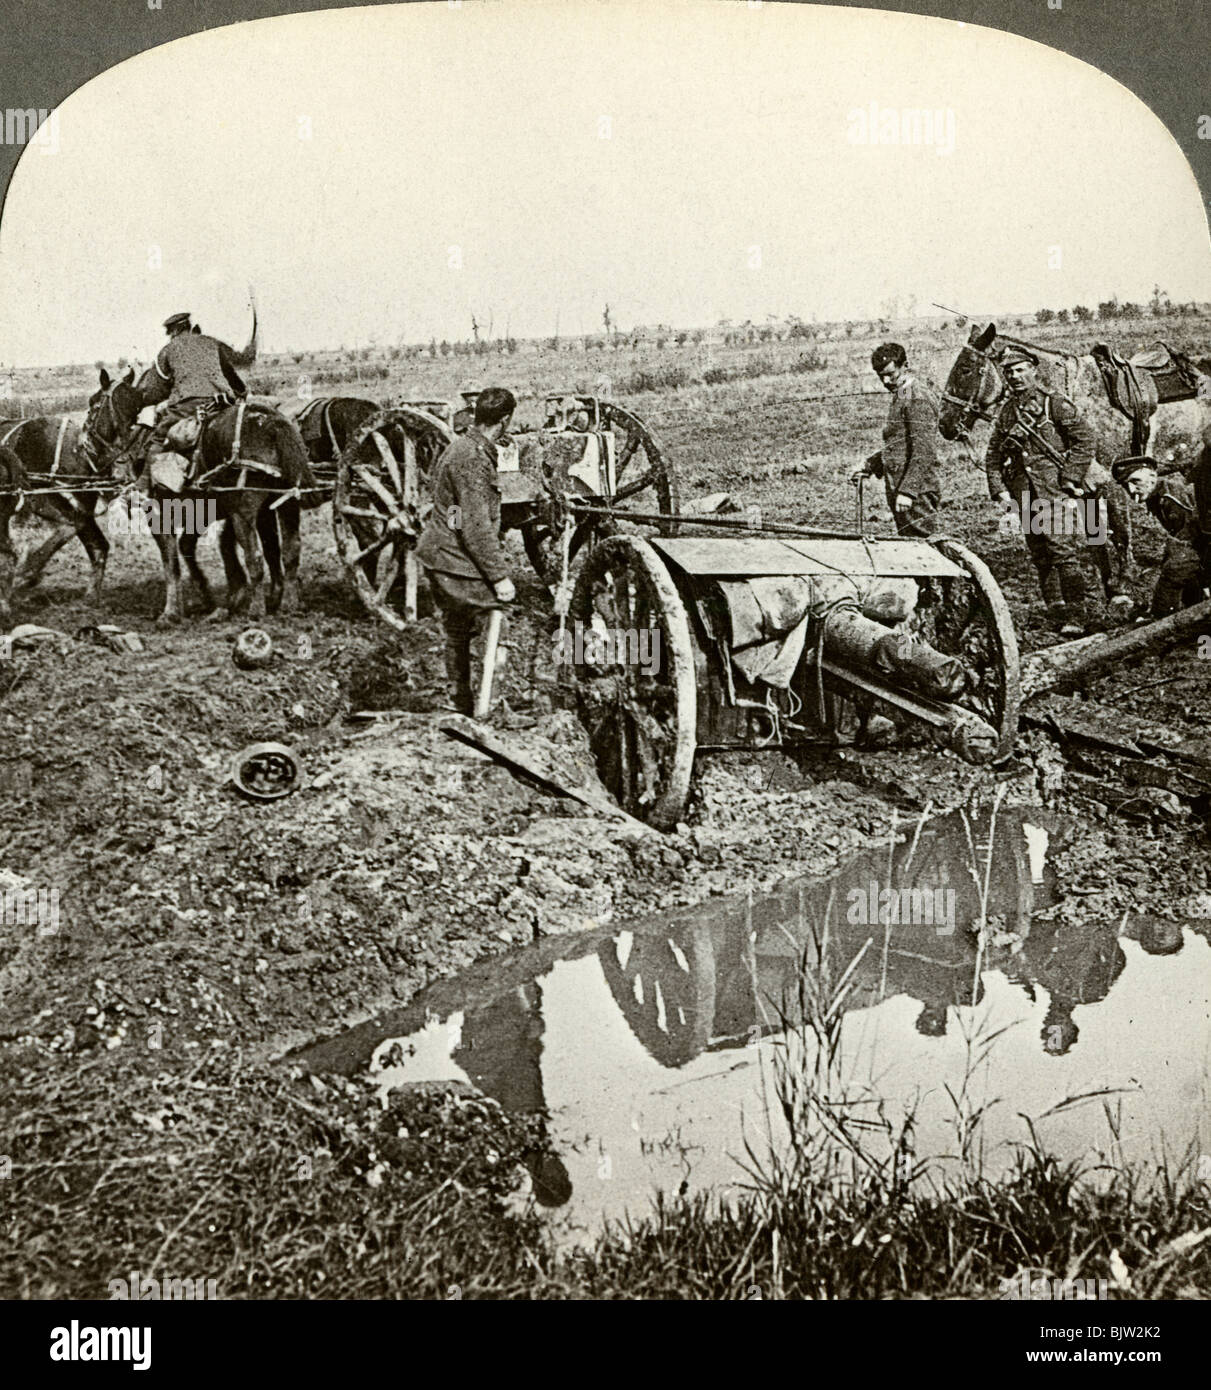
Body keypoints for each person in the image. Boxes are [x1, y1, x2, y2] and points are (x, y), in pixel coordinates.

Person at [984, 346, 1099, 635]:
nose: (1015, 376)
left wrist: (1071, 477)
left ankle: (1077, 615)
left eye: (1021, 369)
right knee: (1040, 553)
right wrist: (999, 489)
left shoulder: (1054, 404)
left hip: (1053, 491)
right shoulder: (1007, 412)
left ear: (1034, 370)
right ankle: (1055, 609)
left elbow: (1085, 440)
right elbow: (993, 455)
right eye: (1009, 372)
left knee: (1062, 552)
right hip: (1024, 495)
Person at [416, 386, 517, 714]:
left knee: (458, 630)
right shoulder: (472, 459)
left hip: (442, 554)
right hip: (451, 558)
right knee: (497, 619)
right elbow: (476, 527)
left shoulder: (461, 448)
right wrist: (500, 577)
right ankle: (491, 711)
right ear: (503, 422)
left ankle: (459, 704)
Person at [852, 342, 941, 536]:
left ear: (905, 365)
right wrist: (871, 465)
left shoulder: (918, 398)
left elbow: (923, 450)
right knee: (910, 544)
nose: (885, 381)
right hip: (900, 488)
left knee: (925, 546)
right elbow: (899, 441)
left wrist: (908, 492)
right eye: (880, 376)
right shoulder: (903, 392)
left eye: (891, 374)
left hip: (917, 492)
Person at [148, 312, 251, 479]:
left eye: (170, 333)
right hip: (223, 403)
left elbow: (155, 388)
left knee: (158, 438)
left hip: (188, 405)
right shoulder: (212, 343)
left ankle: (143, 486)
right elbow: (231, 374)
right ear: (189, 326)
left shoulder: (168, 349)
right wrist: (242, 392)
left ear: (174, 331)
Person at [1111, 456, 1210, 615]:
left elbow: (1193, 539)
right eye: (1125, 485)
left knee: (1174, 571)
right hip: (1195, 543)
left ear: (1152, 477)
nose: (1131, 490)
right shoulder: (1156, 496)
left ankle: (1162, 620)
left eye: (1135, 481)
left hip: (1202, 542)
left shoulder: (1170, 496)